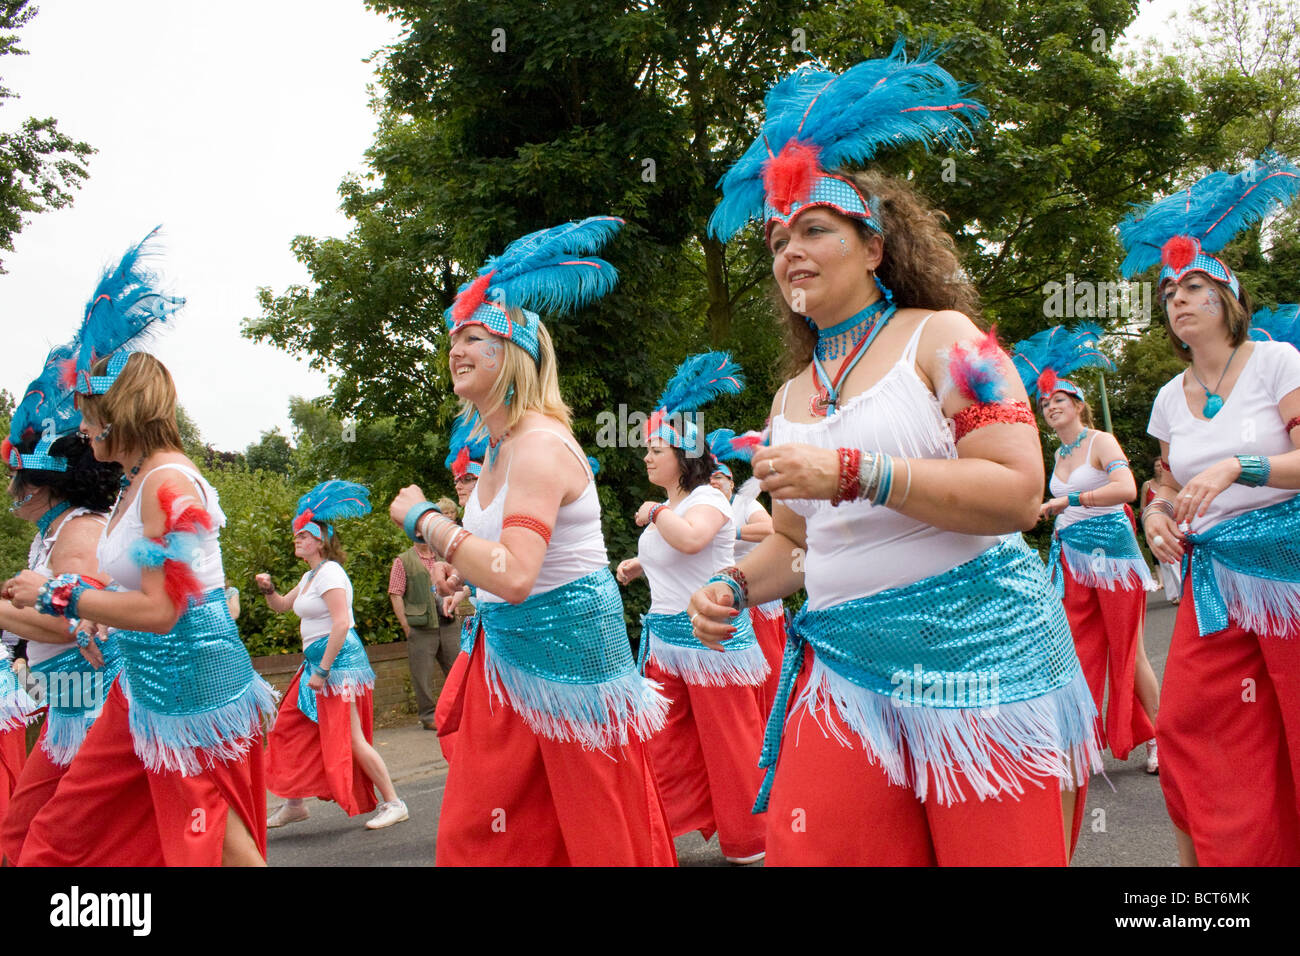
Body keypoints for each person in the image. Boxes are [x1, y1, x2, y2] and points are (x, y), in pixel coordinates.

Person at [692, 47, 1101, 866]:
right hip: (843, 664)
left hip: (977, 657)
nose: (789, 251)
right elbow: (795, 547)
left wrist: (853, 473)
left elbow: (1018, 492)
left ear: (875, 247)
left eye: (815, 229)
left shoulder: (950, 340)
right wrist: (734, 583)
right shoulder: (786, 402)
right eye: (776, 240)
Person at [389, 216, 674, 866]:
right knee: (480, 839)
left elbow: (516, 574)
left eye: (474, 338)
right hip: (506, 664)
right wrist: (466, 571)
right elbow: (504, 568)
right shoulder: (498, 453)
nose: (456, 349)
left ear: (513, 356)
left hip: (572, 671)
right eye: (454, 338)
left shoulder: (540, 445)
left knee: (596, 838)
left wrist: (426, 524)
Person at [3, 233, 277, 866]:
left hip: (188, 679)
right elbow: (140, 600)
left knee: (205, 841)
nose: (82, 427)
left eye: (89, 413)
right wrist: (95, 611)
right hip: (148, 680)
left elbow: (166, 610)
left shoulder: (169, 483)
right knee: (73, 833)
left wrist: (58, 594)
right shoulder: (136, 485)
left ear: (120, 409)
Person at [1122, 153, 1300, 865]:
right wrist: (1156, 517)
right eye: (1169, 293)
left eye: (1196, 287)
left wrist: (1240, 464)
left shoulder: (1277, 360)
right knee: (1191, 726)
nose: (1179, 300)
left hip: (1288, 568)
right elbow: (1163, 486)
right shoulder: (1169, 396)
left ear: (1228, 298)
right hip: (1213, 580)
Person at [615, 362, 768, 864]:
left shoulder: (708, 498)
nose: (645, 457)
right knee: (659, 742)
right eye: (646, 449)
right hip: (663, 642)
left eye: (656, 450)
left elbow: (696, 538)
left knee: (729, 745)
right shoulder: (673, 504)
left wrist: (656, 515)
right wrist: (640, 563)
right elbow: (676, 550)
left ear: (684, 457)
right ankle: (657, 831)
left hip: (711, 638)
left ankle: (751, 840)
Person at [1013, 324, 1160, 781]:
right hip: (1073, 561)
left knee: (1129, 650)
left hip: (1113, 560)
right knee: (1075, 650)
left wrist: (1070, 501)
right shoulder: (1056, 455)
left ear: (1077, 404)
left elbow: (1127, 489)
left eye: (1058, 399)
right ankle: (1078, 741)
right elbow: (1053, 501)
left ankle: (1161, 737)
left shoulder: (1101, 441)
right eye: (1044, 402)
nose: (1050, 406)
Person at [0, 339, 125, 863]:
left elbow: (81, 624)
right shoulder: (52, 533)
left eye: (16, 479)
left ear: (42, 486)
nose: (10, 490)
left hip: (90, 705)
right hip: (66, 703)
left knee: (43, 836)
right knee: (26, 832)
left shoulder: (76, 533)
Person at [259, 480, 408, 830]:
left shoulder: (331, 574)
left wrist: (323, 671)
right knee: (288, 727)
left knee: (351, 738)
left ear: (320, 540)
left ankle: (394, 802)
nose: (297, 539)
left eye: (303, 536)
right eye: (297, 536)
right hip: (316, 663)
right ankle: (294, 803)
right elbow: (283, 606)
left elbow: (341, 624)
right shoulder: (310, 576)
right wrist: (269, 591)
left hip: (337, 665)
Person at [706, 427, 787, 716]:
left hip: (756, 590)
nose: (714, 482)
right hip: (721, 595)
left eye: (720, 477)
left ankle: (777, 716)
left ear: (732, 482)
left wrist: (732, 531)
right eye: (709, 477)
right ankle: (747, 715)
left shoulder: (743, 503)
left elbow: (771, 529)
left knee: (767, 657)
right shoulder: (703, 507)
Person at [1140, 458, 1182, 604]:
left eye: (1161, 465)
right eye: (1157, 465)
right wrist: (1148, 522)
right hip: (1156, 521)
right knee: (1164, 560)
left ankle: (1183, 592)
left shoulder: (1176, 481)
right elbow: (1143, 507)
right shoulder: (1147, 485)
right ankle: (1173, 594)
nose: (1159, 468)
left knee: (1174, 557)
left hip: (1174, 521)